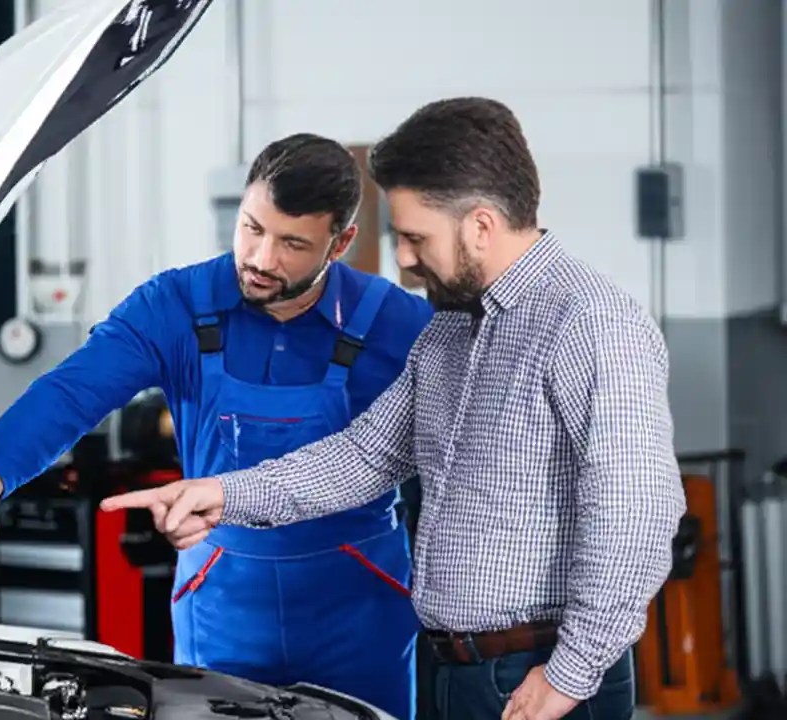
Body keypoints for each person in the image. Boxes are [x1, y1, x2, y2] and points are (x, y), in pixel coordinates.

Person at [101, 97, 687, 720]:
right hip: (449, 669)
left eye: (415, 238)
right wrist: (220, 495)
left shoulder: (590, 323)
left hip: (539, 677)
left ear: (481, 226)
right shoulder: (449, 334)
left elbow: (637, 513)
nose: (403, 259)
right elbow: (364, 455)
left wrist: (571, 675)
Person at [0, 132, 434, 717]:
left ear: (341, 244)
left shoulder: (398, 322)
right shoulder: (177, 305)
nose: (262, 260)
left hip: (357, 608)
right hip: (222, 602)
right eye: (253, 229)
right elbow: (73, 391)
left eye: (292, 244)